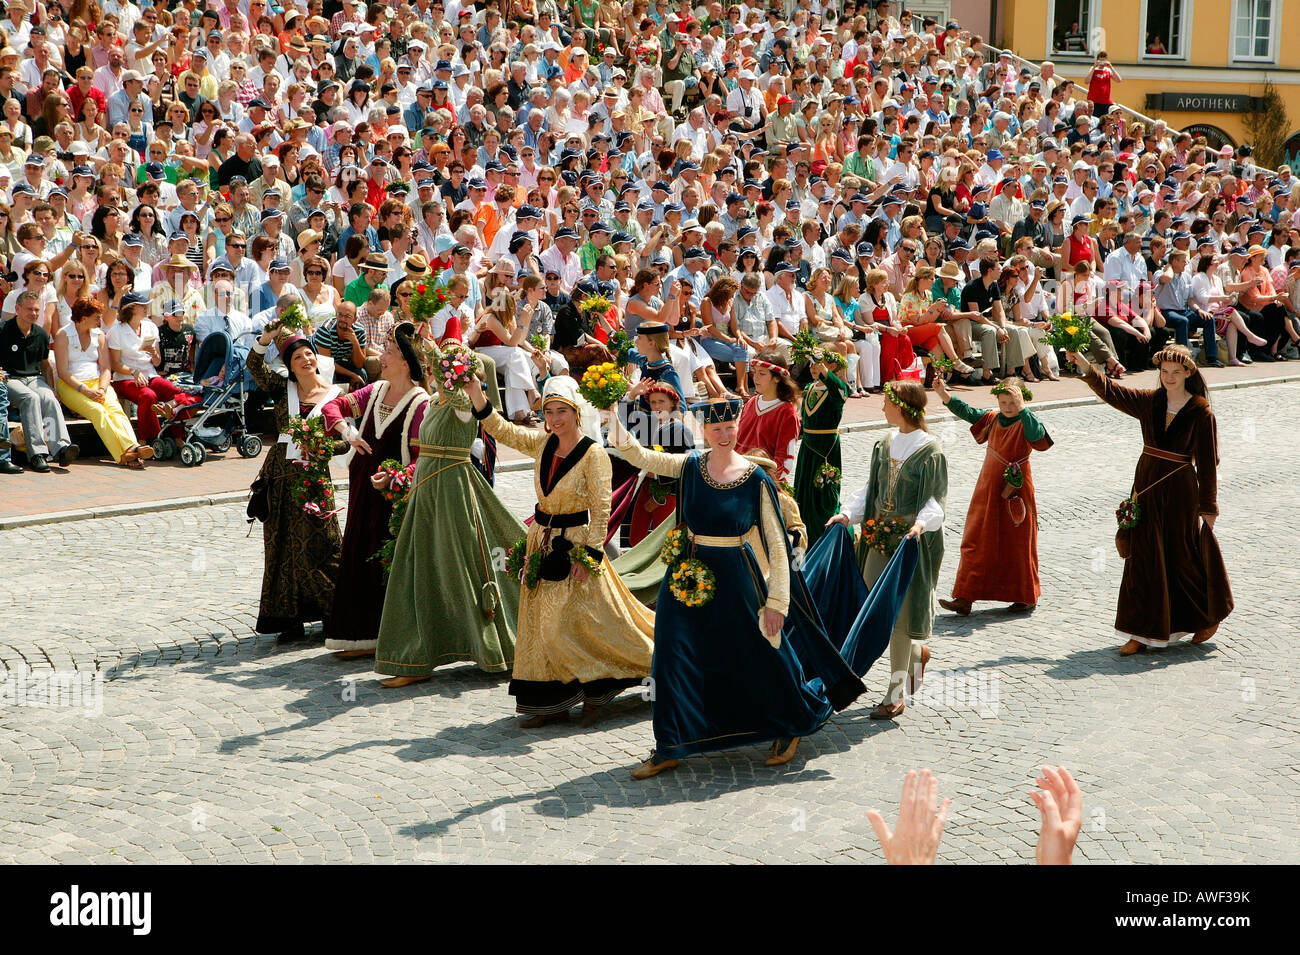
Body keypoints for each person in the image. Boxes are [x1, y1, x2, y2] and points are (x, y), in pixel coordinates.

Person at [608, 398, 871, 779]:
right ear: (704, 432)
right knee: (670, 654)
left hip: (736, 576)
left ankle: (791, 723)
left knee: (760, 653)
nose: (725, 435)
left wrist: (778, 601)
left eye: (730, 427)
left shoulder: (756, 478)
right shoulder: (689, 466)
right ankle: (670, 744)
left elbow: (777, 542)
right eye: (716, 429)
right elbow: (638, 454)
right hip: (687, 576)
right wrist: (609, 414)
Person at [464, 373, 655, 727]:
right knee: (542, 624)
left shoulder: (593, 453)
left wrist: (591, 555)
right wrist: (477, 393)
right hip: (542, 541)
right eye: (549, 411)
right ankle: (551, 701)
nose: (554, 418)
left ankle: (595, 694)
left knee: (584, 623)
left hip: (578, 545)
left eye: (561, 411)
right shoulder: (542, 444)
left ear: (576, 413)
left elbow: (601, 508)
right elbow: (503, 430)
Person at [1065, 345, 1233, 655]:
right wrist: (1087, 369)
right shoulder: (1150, 402)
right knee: (1142, 556)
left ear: (1188, 373)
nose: (1168, 377)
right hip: (1145, 485)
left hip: (1180, 491)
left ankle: (1206, 615)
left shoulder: (1200, 411)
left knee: (1180, 557)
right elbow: (1113, 392)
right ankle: (1140, 632)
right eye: (1164, 372)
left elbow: (1208, 463)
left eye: (1175, 372)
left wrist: (1208, 507)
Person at [373, 342, 525, 685]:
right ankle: (415, 657)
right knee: (418, 568)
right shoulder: (435, 401)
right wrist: (399, 478)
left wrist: (426, 344)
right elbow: (426, 453)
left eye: (445, 364)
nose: (434, 370)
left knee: (459, 565)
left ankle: (491, 646)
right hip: (426, 492)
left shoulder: (462, 403)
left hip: (452, 492)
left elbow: (452, 376)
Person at [828, 378, 947, 720]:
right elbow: (872, 489)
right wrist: (847, 514)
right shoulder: (884, 443)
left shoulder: (931, 451)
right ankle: (915, 656)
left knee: (898, 620)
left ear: (903, 406)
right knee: (869, 610)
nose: (882, 407)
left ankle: (896, 694)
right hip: (877, 539)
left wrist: (921, 524)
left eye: (888, 402)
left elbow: (935, 500)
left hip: (909, 545)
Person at [320, 323, 431, 659]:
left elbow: (423, 459)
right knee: (357, 554)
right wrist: (345, 429)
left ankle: (385, 634)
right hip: (361, 490)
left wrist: (397, 478)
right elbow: (333, 407)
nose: (381, 356)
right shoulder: (376, 391)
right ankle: (355, 634)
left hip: (393, 499)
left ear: (406, 362)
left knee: (385, 559)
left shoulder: (419, 403)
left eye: (390, 352)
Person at [246, 321, 344, 642]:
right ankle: (288, 619)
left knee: (323, 543)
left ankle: (335, 614)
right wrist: (268, 338)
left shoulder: (334, 396)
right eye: (297, 357)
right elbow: (253, 365)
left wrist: (325, 446)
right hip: (279, 476)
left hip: (315, 476)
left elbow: (347, 438)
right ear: (289, 365)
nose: (305, 360)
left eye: (309, 354)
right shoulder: (281, 389)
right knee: (282, 545)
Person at [934, 375, 1053, 616]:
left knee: (1018, 542)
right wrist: (944, 395)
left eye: (1012, 403)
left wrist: (1023, 410)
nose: (1007, 408)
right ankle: (965, 596)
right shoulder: (993, 419)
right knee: (976, 537)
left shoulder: (1026, 421)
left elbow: (1039, 439)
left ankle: (1025, 596)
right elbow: (968, 412)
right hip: (987, 487)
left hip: (1016, 488)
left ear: (1021, 400)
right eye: (1003, 402)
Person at [54, 299, 151, 468]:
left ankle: (131, 450)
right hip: (70, 386)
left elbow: (106, 369)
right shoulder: (63, 335)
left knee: (115, 410)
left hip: (98, 383)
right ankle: (126, 454)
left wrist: (102, 389)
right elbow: (63, 373)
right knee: (98, 411)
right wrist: (86, 391)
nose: (99, 321)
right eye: (96, 317)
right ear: (83, 318)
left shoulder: (99, 335)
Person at [0, 289, 76, 471]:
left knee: (49, 398)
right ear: (17, 309)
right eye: (29, 309)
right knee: (30, 398)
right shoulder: (3, 330)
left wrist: (53, 388)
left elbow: (45, 364)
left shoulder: (41, 334)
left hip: (35, 378)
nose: (33, 313)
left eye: (36, 310)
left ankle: (62, 448)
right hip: (10, 378)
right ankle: (37, 454)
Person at [792, 356, 850, 548]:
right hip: (808, 447)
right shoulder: (809, 388)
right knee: (803, 489)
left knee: (823, 492)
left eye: (816, 363)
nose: (812, 367)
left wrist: (826, 374)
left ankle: (824, 534)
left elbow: (842, 392)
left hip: (826, 448)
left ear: (830, 366)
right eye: (810, 364)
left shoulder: (837, 388)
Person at [736, 353, 801, 481]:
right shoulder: (750, 403)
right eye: (755, 372)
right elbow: (738, 443)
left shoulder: (786, 412)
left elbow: (785, 459)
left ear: (777, 378)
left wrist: (763, 481)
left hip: (765, 481)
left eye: (762, 373)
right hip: (739, 476)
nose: (756, 378)